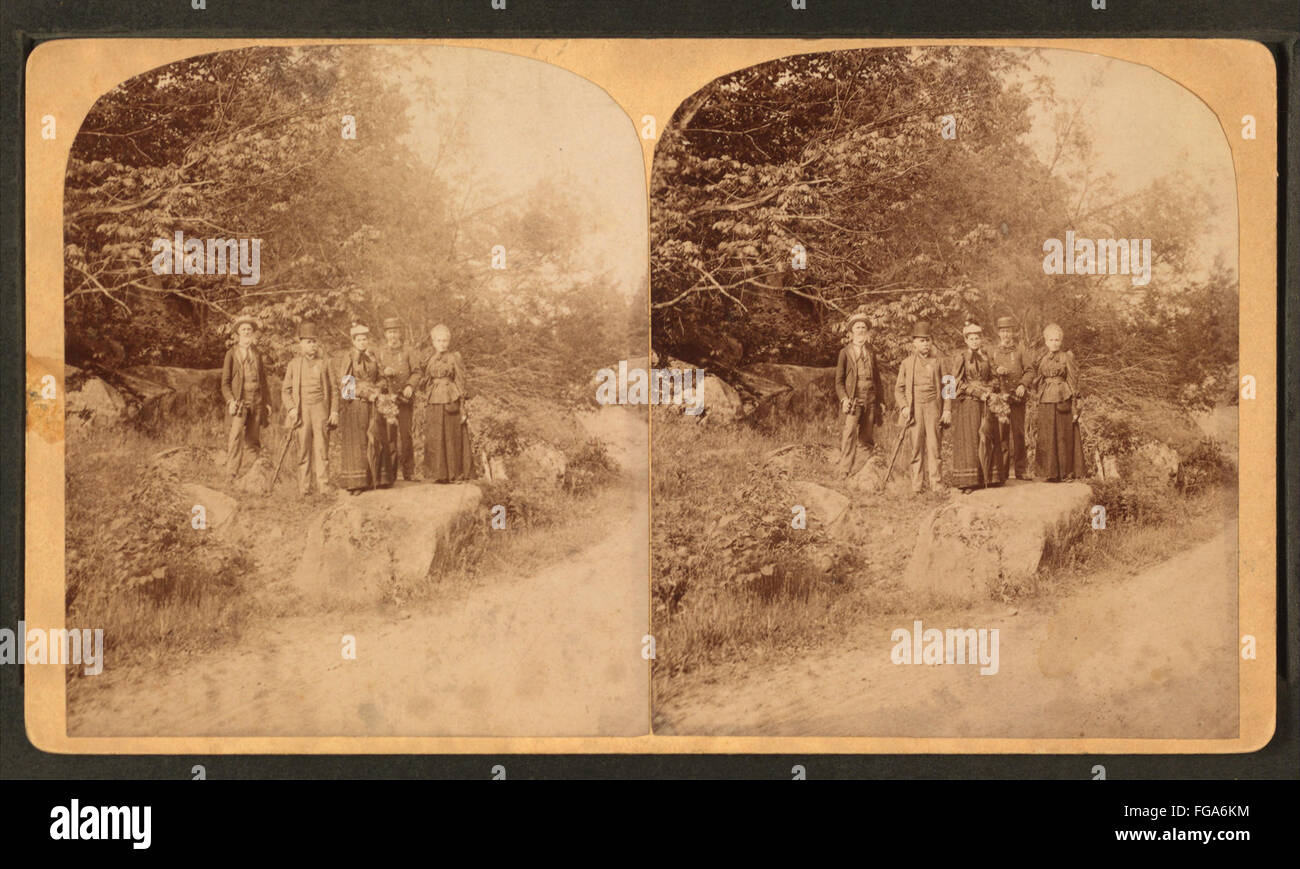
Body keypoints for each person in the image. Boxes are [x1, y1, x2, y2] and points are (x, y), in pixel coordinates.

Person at [334, 324, 394, 494]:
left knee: (377, 437)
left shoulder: (372, 356)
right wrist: (366, 394)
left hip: (374, 403)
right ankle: (357, 483)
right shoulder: (349, 358)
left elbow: (381, 377)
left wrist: (378, 389)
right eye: (359, 339)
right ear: (353, 341)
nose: (362, 342)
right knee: (359, 441)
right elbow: (346, 387)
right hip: (356, 405)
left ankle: (379, 478)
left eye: (365, 339)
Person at [1024, 323, 1087, 481]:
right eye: (1051, 340)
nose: (1054, 343)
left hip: (1062, 398)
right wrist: (1037, 392)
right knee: (1047, 435)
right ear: (1046, 342)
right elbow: (1038, 379)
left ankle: (1066, 473)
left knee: (1063, 436)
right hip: (1046, 399)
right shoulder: (1043, 359)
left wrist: (1075, 403)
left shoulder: (1067, 357)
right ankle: (1049, 473)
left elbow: (1073, 380)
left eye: (1057, 340)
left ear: (1061, 341)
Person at [281, 322, 338, 497]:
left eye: (314, 342)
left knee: (322, 449)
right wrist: (291, 409)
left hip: (321, 409)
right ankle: (304, 488)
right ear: (301, 344)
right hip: (301, 411)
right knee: (303, 449)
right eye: (308, 342)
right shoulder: (293, 364)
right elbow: (286, 390)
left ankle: (324, 486)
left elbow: (335, 390)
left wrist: (334, 411)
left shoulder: (325, 363)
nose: (312, 345)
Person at [894, 321, 951, 494]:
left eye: (928, 340)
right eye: (921, 340)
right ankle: (917, 485)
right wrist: (904, 406)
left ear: (931, 342)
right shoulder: (907, 363)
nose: (925, 344)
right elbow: (899, 389)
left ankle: (936, 484)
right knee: (916, 447)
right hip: (914, 409)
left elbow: (950, 385)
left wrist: (947, 409)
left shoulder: (940, 362)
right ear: (914, 344)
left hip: (934, 406)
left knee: (934, 447)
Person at [948, 322, 1005, 492]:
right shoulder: (961, 358)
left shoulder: (987, 356)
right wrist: (976, 392)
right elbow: (956, 383)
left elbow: (994, 377)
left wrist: (989, 389)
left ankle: (991, 477)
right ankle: (969, 481)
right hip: (969, 403)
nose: (975, 341)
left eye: (977, 338)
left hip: (987, 401)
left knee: (988, 436)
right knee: (971, 438)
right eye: (971, 338)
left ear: (981, 339)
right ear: (966, 340)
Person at [419, 323, 475, 483]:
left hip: (451, 398)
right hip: (434, 400)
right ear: (433, 342)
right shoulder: (430, 359)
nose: (442, 344)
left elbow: (461, 380)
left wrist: (463, 405)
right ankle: (439, 474)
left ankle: (455, 473)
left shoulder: (454, 357)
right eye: (438, 340)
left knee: (452, 436)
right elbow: (427, 380)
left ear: (448, 341)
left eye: (444, 340)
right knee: (435, 436)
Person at [834, 308, 885, 476]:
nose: (861, 330)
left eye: (864, 328)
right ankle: (844, 470)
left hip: (870, 397)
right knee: (849, 433)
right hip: (853, 399)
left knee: (867, 435)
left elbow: (877, 378)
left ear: (867, 331)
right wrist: (844, 399)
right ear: (851, 332)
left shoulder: (871, 352)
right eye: (857, 328)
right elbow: (839, 381)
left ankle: (862, 471)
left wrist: (881, 401)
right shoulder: (844, 353)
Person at [220, 316, 271, 481]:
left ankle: (252, 475)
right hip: (240, 402)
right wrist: (230, 401)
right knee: (235, 436)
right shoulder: (231, 354)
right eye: (243, 330)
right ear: (237, 333)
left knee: (253, 439)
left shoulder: (257, 354)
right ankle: (231, 474)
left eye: (249, 329)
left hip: (257, 400)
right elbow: (225, 383)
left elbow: (263, 380)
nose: (247, 332)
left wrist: (267, 403)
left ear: (253, 333)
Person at [375, 317, 420, 481]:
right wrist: (383, 373)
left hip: (405, 399)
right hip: (388, 400)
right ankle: (391, 473)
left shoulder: (409, 351)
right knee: (389, 435)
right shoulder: (380, 352)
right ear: (385, 334)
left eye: (395, 332)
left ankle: (409, 471)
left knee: (406, 435)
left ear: (400, 333)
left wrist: (410, 386)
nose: (392, 335)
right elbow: (376, 375)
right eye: (389, 332)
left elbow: (417, 371)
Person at [990, 315, 1030, 480]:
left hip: (1017, 398)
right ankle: (1003, 471)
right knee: (1002, 435)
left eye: (1009, 331)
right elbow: (988, 371)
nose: (1006, 335)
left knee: (1019, 433)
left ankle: (1021, 470)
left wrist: (1023, 384)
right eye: (1003, 331)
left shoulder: (1021, 350)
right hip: (1001, 400)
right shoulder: (993, 351)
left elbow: (1030, 370)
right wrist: (996, 370)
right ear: (999, 333)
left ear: (1013, 333)